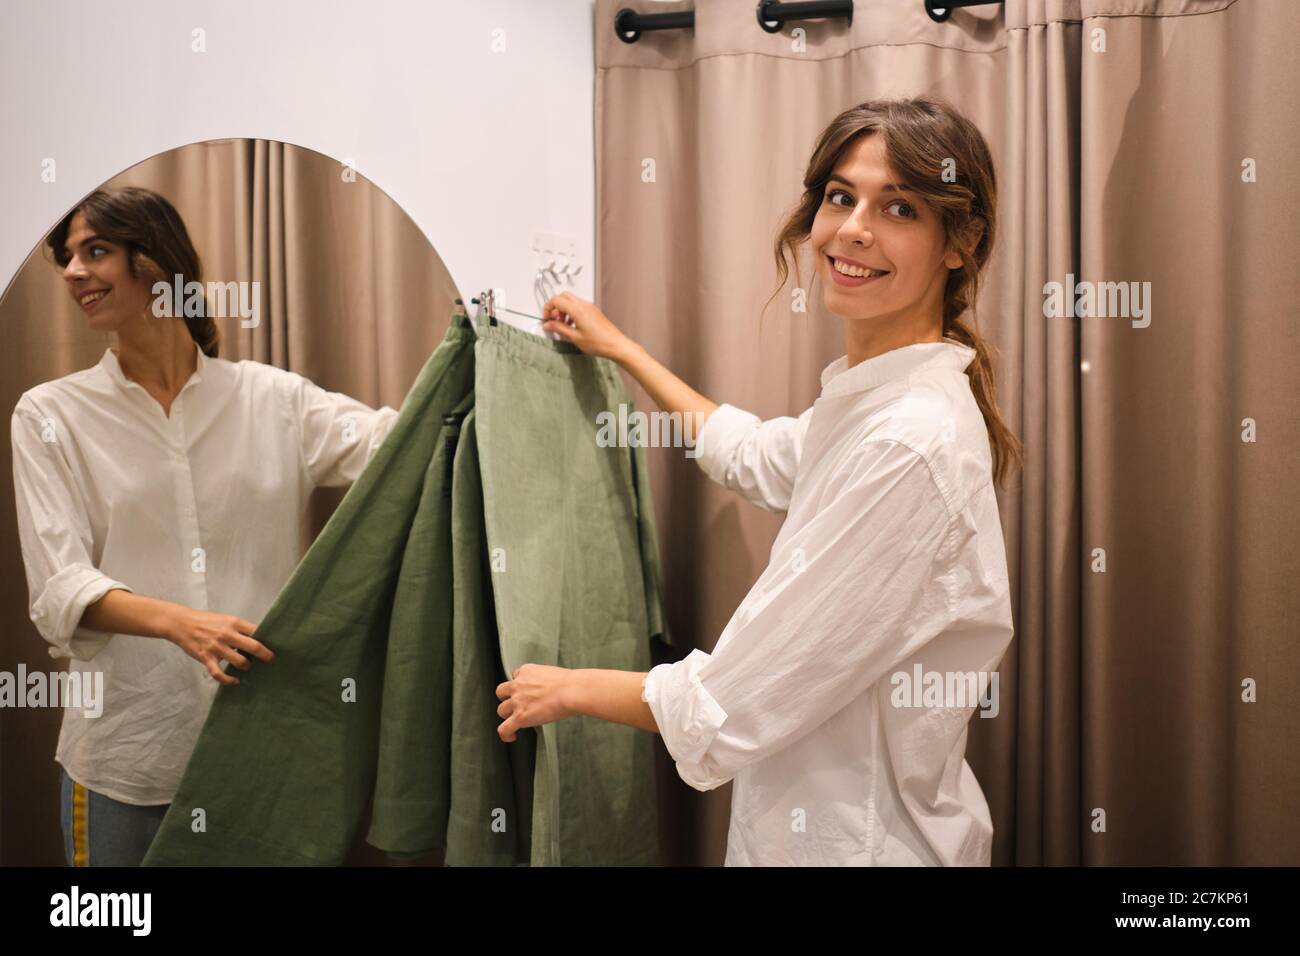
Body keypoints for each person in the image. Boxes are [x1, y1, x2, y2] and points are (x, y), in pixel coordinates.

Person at [495, 97, 1021, 866]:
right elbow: (758, 453)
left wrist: (568, 689)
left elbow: (734, 698)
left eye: (899, 207)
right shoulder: (874, 404)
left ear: (959, 243)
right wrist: (623, 350)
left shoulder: (909, 444)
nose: (853, 230)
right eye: (840, 197)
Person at [10, 186, 400, 866]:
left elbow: (399, 448)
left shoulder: (274, 401)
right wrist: (181, 622)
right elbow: (60, 587)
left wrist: (487, 356)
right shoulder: (49, 416)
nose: (71, 273)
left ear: (157, 264)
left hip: (260, 761)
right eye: (66, 257)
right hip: (125, 763)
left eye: (94, 251)